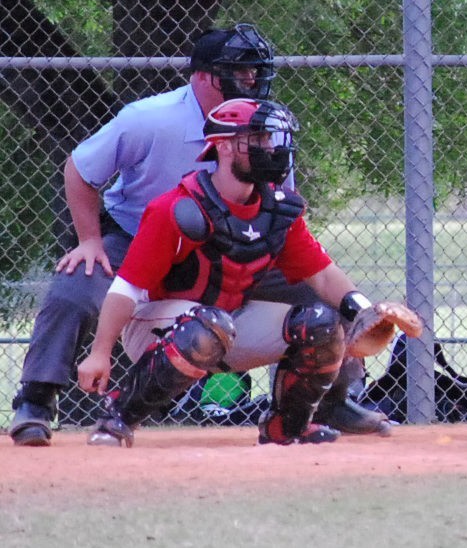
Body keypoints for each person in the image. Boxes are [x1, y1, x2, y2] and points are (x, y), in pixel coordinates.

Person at [9, 24, 383, 446]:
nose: (253, 82)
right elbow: (79, 170)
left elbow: (282, 209)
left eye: (257, 72)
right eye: (240, 73)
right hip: (138, 234)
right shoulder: (150, 120)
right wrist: (90, 240)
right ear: (203, 76)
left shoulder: (262, 129)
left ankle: (329, 400)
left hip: (234, 245)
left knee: (318, 296)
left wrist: (360, 305)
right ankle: (36, 400)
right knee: (76, 289)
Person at [76, 97, 418, 446]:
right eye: (257, 139)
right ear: (223, 146)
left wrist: (364, 310)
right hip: (158, 328)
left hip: (225, 324)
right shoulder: (177, 208)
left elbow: (324, 276)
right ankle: (116, 420)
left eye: (271, 139)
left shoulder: (277, 209)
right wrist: (101, 352)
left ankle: (287, 426)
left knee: (319, 322)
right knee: (208, 326)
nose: (269, 148)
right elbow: (127, 289)